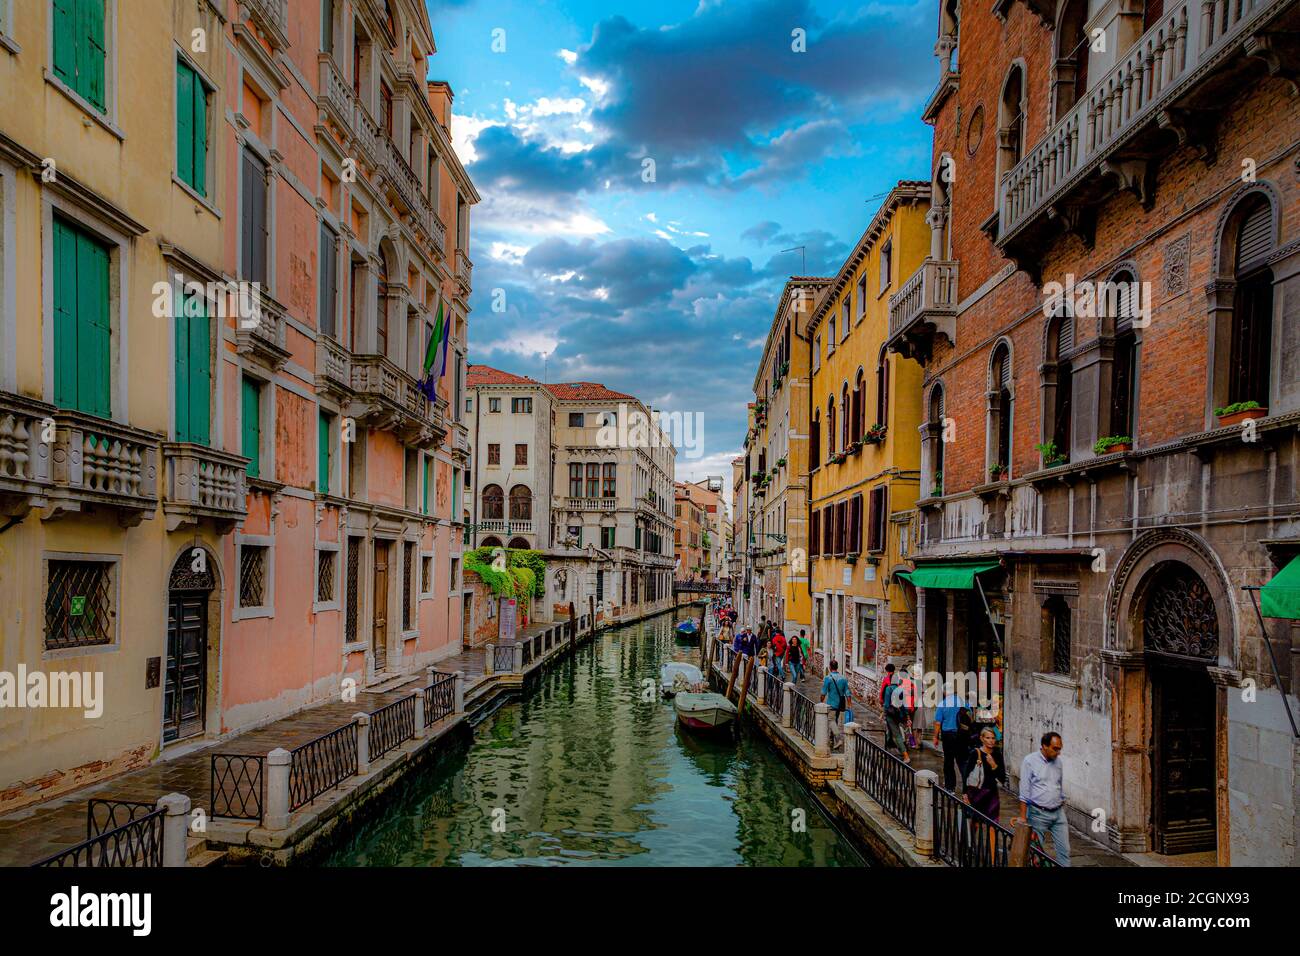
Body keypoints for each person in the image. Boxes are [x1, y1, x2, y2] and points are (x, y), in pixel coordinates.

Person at [1016, 732, 1071, 866]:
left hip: (1058, 813)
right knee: (1035, 852)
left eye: (1060, 748)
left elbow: (1059, 783)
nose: (1058, 752)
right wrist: (1023, 818)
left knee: (1065, 850)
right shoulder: (1029, 761)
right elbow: (1024, 791)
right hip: (1037, 813)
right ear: (1044, 746)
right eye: (1055, 748)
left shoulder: (1058, 762)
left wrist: (1062, 798)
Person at [932, 683, 971, 791]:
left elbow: (938, 723)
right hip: (962, 735)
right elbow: (969, 716)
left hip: (948, 736)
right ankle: (967, 787)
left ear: (944, 692)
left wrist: (935, 737)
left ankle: (950, 787)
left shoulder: (943, 704)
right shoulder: (963, 702)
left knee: (949, 761)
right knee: (962, 761)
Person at [961, 727, 1006, 818]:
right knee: (976, 823)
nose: (991, 741)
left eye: (993, 738)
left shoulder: (997, 754)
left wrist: (994, 765)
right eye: (988, 738)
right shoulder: (975, 753)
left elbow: (1002, 778)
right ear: (982, 738)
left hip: (992, 793)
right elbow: (966, 774)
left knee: (993, 824)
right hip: (976, 792)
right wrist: (964, 793)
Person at [880, 665, 912, 763]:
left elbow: (886, 704)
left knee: (897, 734)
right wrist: (907, 717)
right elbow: (905, 705)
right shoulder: (901, 689)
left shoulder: (889, 689)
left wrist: (883, 714)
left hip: (891, 714)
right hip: (900, 714)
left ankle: (906, 755)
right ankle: (887, 751)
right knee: (889, 732)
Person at [820, 660, 851, 746]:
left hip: (831, 704)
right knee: (835, 720)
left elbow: (823, 693)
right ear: (837, 667)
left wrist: (821, 702)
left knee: (830, 720)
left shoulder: (828, 678)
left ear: (830, 667)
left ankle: (838, 739)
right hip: (840, 704)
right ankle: (831, 739)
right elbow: (847, 692)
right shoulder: (843, 678)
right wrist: (849, 704)